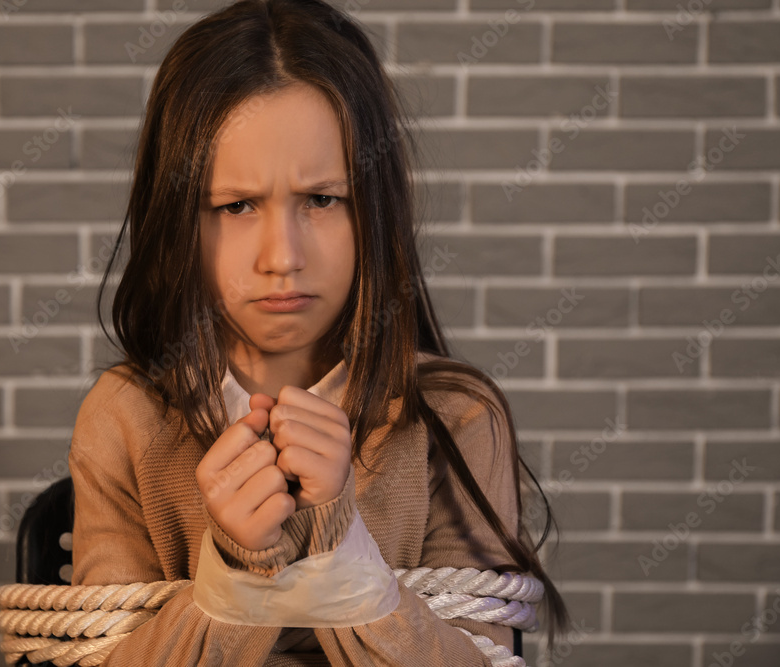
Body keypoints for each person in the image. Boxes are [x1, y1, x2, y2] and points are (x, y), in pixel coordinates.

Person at [68, 0, 567, 664]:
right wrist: (236, 573)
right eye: (236, 205)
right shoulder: (123, 419)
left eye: (323, 199)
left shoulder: (457, 418)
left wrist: (340, 541)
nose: (283, 256)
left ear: (375, 211)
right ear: (180, 220)